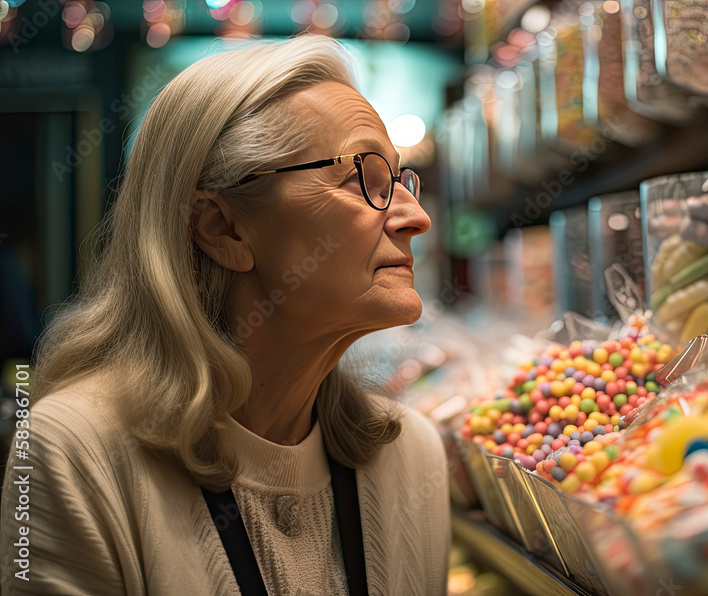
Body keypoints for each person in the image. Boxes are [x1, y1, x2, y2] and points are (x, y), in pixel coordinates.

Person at [0, 34, 448, 595]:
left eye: (402, 181)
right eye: (365, 179)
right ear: (223, 228)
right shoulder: (78, 452)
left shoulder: (408, 456)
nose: (417, 217)